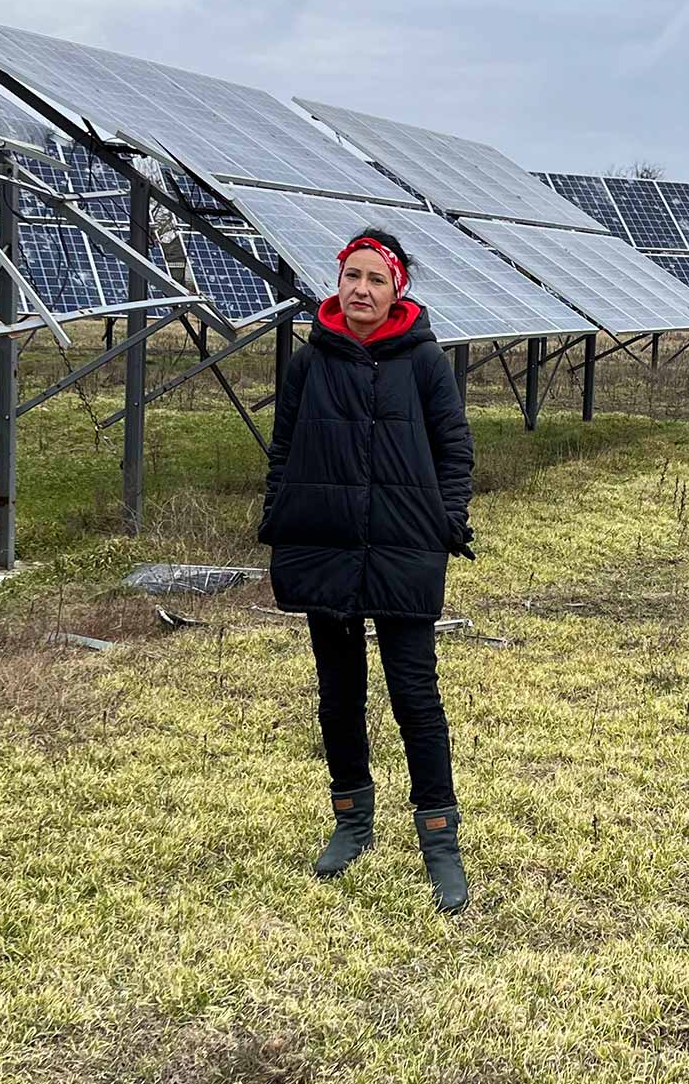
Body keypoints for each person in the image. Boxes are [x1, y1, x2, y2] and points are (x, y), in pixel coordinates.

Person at [257, 226, 476, 913]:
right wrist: (280, 513)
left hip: (405, 548)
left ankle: (440, 840)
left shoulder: (426, 363)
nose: (361, 290)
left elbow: (454, 450)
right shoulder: (308, 362)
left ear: (397, 289)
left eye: (376, 279)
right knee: (338, 693)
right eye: (352, 276)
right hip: (324, 544)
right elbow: (285, 446)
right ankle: (352, 822)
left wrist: (444, 522)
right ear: (338, 282)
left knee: (416, 695)